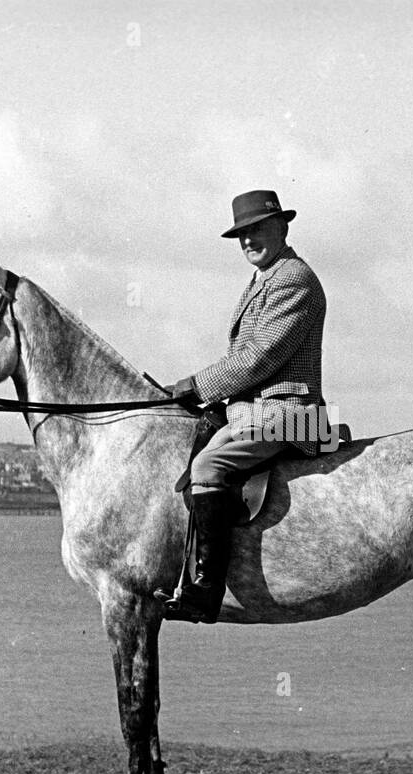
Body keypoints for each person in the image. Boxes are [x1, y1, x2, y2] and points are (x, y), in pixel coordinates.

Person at [158, 189, 329, 623]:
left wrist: (198, 385)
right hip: (254, 409)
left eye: (256, 229)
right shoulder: (264, 279)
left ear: (282, 226)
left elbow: (259, 358)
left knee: (207, 468)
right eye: (241, 234)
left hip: (290, 413)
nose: (248, 240)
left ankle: (204, 592)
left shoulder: (294, 279)